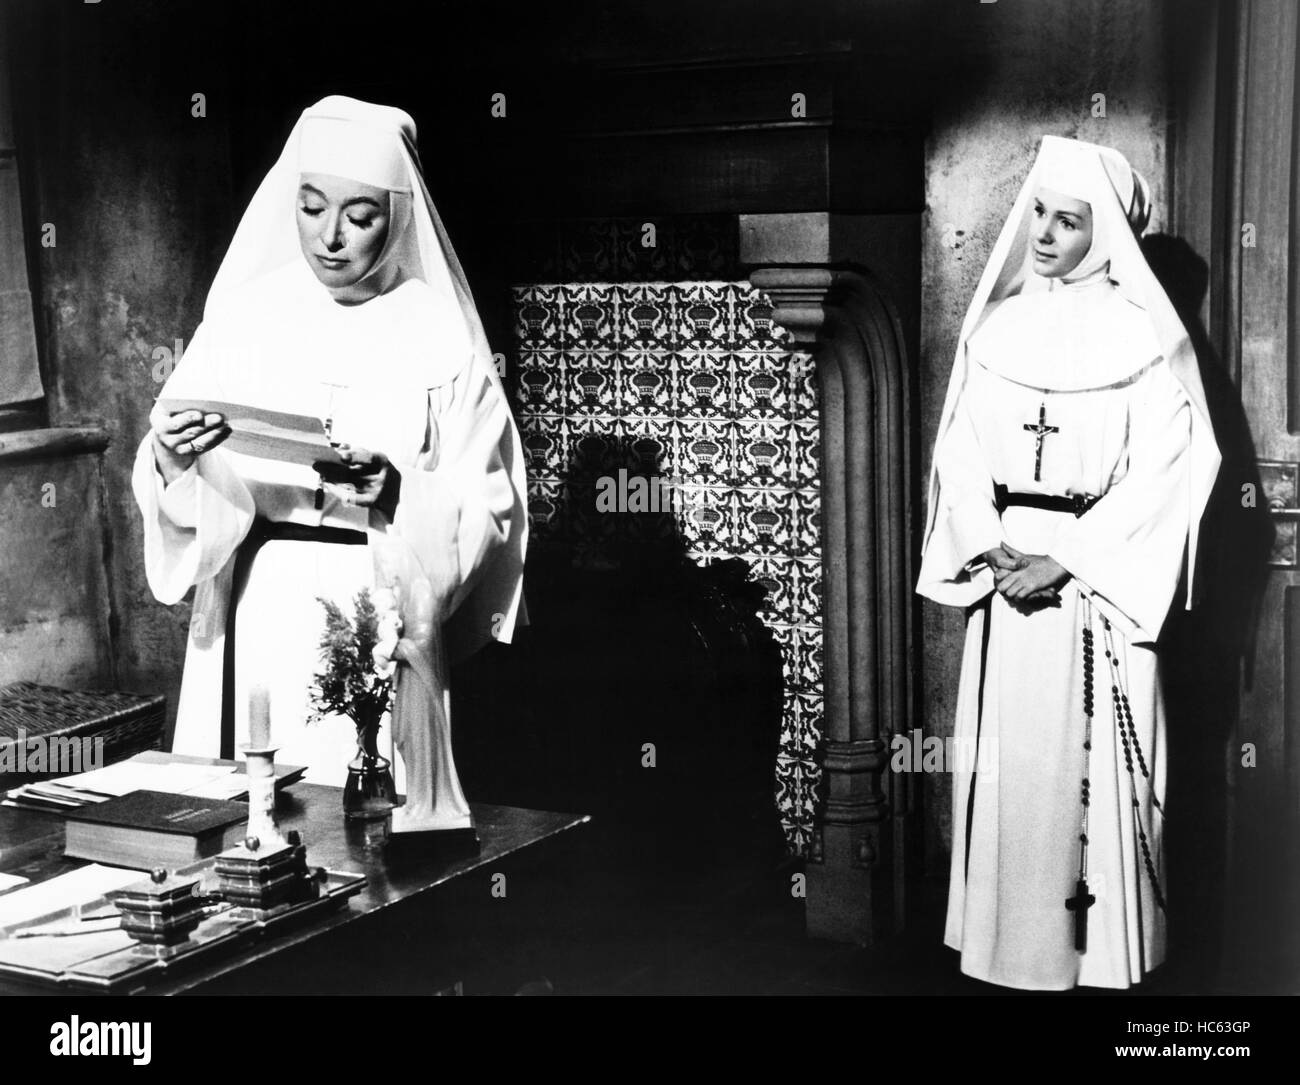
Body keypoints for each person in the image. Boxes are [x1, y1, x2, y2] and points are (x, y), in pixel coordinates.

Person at [132, 96, 528, 832]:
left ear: (398, 214)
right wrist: (171, 460)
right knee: (244, 826)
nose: (331, 237)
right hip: (251, 605)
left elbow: (491, 510)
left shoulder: (437, 335)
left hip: (374, 605)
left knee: (362, 836)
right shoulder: (245, 317)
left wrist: (400, 493)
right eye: (312, 208)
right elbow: (174, 463)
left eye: (359, 215)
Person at [917, 135, 1220, 990]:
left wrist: (1069, 558)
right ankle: (1013, 952)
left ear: (1107, 234)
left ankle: (1097, 961)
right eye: (1040, 213)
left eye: (1069, 221)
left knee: (1089, 787)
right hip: (1009, 587)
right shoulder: (1000, 327)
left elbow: (1170, 471)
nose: (1044, 234)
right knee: (1021, 780)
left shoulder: (1144, 341)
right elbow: (960, 452)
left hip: (1096, 594)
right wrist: (989, 538)